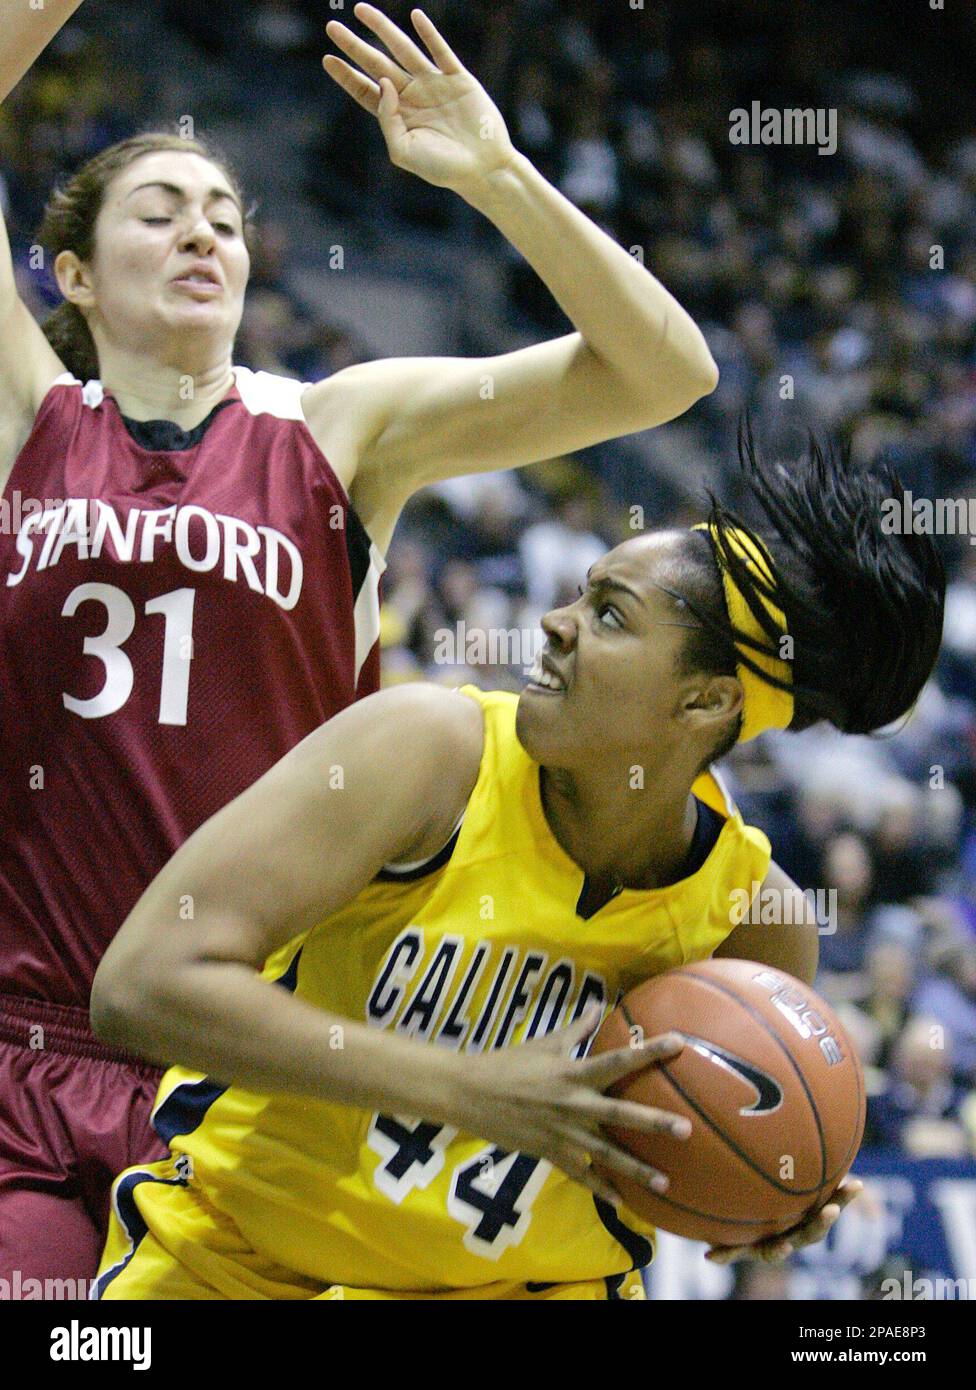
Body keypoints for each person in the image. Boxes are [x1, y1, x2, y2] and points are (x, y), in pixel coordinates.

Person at [0, 2, 720, 1287]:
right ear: (75, 273)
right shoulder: (27, 415)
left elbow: (663, 376)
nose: (202, 229)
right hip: (31, 1040)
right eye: (157, 209)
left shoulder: (339, 428)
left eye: (223, 212)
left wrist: (499, 177)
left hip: (263, 1057)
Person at [88, 434, 942, 1299]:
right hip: (246, 1262)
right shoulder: (428, 752)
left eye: (610, 614)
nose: (556, 622)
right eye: (581, 594)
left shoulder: (754, 920)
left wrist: (760, 1201)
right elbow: (140, 984)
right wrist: (473, 1091)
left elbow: (712, 1164)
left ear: (705, 701)